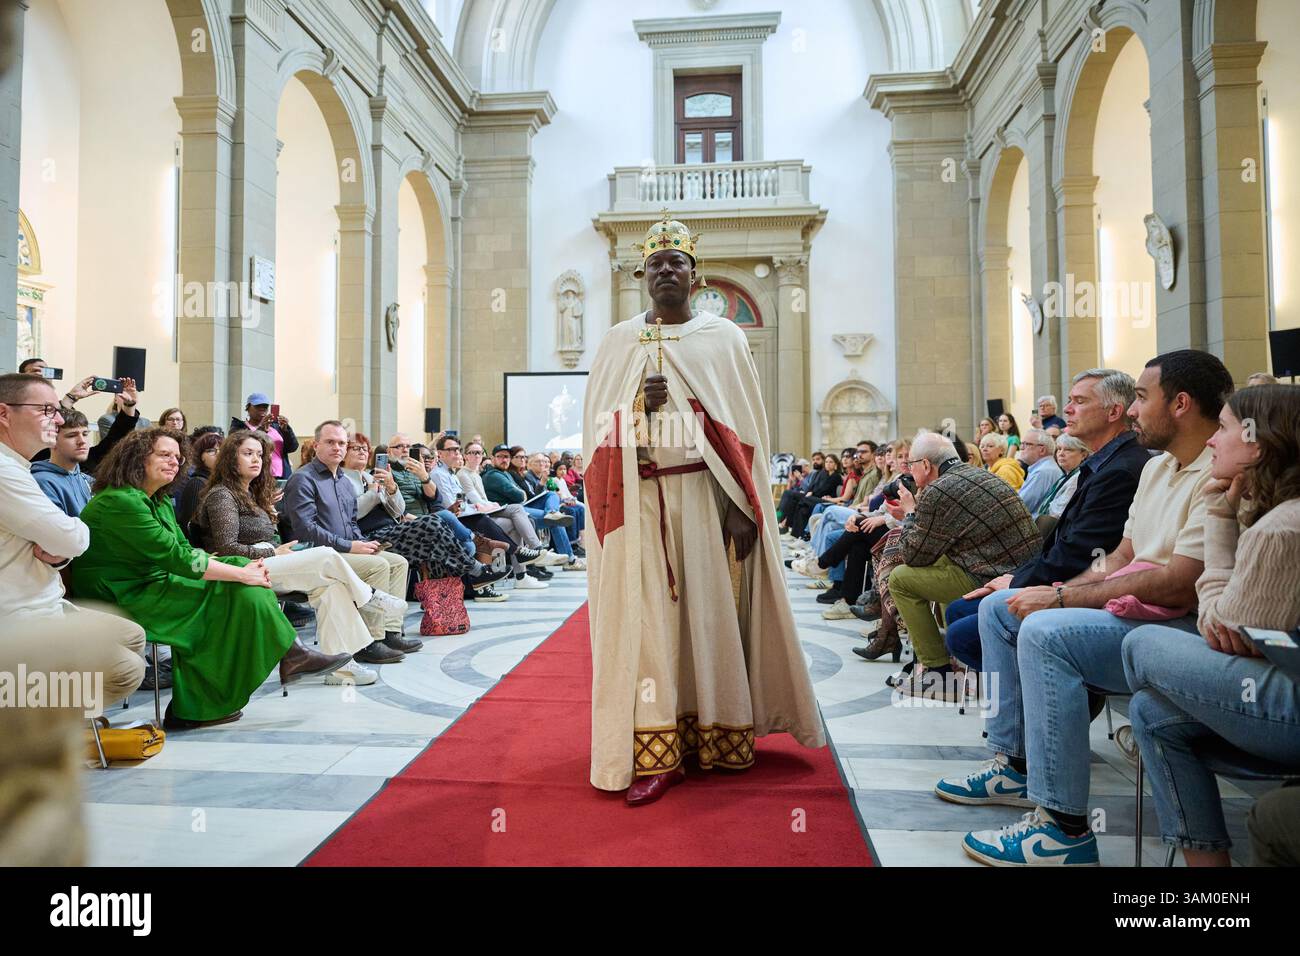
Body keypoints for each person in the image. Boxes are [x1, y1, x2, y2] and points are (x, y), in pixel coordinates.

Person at [953, 349, 1233, 867]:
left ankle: (1063, 825)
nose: (1132, 412)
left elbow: (1177, 583)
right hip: (1135, 604)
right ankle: (1013, 761)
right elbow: (1121, 556)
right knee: (1009, 612)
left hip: (1178, 623)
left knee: (1044, 633)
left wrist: (1058, 598)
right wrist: (1062, 594)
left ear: (1180, 404)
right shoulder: (1158, 469)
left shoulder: (1213, 474)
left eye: (1142, 399)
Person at [583, 213, 824, 805]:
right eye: (657, 264)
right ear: (643, 275)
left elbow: (744, 431)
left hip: (705, 496)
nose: (667, 270)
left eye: (678, 263)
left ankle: (717, 735)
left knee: (709, 618)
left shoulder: (724, 338)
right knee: (648, 626)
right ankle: (655, 749)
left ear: (694, 275)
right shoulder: (618, 341)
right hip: (639, 503)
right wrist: (636, 409)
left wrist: (745, 502)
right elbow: (593, 434)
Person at [1123, 383, 1300, 866]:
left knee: (1141, 644)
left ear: (1259, 443)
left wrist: (1220, 517)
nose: (1210, 442)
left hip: (1292, 703)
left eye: (1222, 429)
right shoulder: (1276, 513)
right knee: (1149, 711)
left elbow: (1223, 630)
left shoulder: (1283, 526)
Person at [71, 426, 349, 730]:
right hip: (120, 593)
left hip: (155, 582)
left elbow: (182, 548)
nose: (174, 462)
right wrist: (240, 572)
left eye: (177, 457)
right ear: (137, 458)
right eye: (164, 455)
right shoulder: (120, 501)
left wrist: (237, 568)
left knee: (242, 579)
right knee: (239, 588)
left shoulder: (159, 500)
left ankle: (282, 659)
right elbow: (178, 558)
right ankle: (280, 658)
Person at [939, 369, 1143, 672]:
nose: (1067, 410)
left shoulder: (1120, 470)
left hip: (1088, 586)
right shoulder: (1104, 462)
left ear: (1113, 411)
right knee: (960, 610)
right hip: (1071, 574)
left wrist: (1021, 583)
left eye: (1079, 401)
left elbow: (1083, 550)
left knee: (963, 633)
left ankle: (1040, 703)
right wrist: (1018, 579)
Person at [193, 430, 409, 686]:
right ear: (230, 458)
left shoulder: (249, 494)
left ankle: (341, 667)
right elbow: (226, 548)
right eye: (247, 454)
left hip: (265, 563)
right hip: (241, 568)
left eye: (259, 455)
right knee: (326, 555)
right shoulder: (222, 494)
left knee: (332, 586)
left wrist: (274, 545)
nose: (256, 460)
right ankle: (368, 597)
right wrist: (272, 551)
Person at [0, 373, 146, 714]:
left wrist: (59, 554)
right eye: (47, 410)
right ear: (4, 414)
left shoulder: (20, 466)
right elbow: (73, 537)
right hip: (17, 615)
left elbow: (59, 544)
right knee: (125, 670)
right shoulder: (6, 472)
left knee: (133, 636)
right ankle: (26, 728)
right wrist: (67, 541)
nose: (60, 418)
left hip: (44, 598)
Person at [885, 432, 1041, 698]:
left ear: (925, 465)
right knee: (943, 559)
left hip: (994, 578)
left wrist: (911, 512)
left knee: (900, 579)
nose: (909, 471)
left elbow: (913, 556)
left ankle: (938, 674)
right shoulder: (980, 474)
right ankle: (956, 663)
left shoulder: (938, 490)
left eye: (911, 465)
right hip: (1025, 570)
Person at [281, 421, 420, 660]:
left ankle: (390, 632)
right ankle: (369, 641)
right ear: (316, 446)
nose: (337, 447)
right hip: (320, 555)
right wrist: (350, 546)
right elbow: (306, 529)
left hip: (347, 548)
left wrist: (362, 544)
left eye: (341, 443)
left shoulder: (344, 481)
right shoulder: (303, 479)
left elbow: (352, 522)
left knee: (398, 562)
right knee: (379, 566)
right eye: (330, 442)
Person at [340, 434, 507, 603]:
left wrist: (391, 488)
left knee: (437, 538)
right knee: (435, 523)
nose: (362, 452)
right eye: (356, 448)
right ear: (344, 453)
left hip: (393, 529)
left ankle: (441, 607)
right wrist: (372, 493)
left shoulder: (371, 477)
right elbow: (351, 513)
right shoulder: (342, 479)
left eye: (365, 449)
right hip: (369, 537)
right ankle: (476, 573)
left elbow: (398, 510)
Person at [31, 409, 95, 517]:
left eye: (85, 434)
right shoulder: (42, 482)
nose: (82, 441)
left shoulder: (88, 480)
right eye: (72, 435)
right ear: (51, 440)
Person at [230, 392, 298, 480]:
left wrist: (286, 431)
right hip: (257, 476)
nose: (262, 409)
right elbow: (236, 447)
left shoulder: (276, 426)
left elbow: (292, 447)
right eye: (258, 406)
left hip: (281, 475)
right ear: (248, 408)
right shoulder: (239, 427)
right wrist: (261, 430)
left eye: (265, 406)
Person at [174, 430, 222, 535]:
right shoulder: (197, 483)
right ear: (201, 457)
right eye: (211, 450)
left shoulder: (221, 481)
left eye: (221, 450)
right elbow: (190, 526)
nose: (218, 454)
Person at [1015, 428, 1063, 515]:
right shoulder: (1043, 468)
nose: (1021, 448)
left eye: (1027, 444)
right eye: (1021, 444)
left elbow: (1020, 506)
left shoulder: (1043, 471)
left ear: (1042, 450)